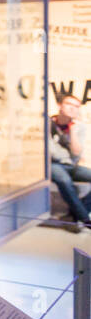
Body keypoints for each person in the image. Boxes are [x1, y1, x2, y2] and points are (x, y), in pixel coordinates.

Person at [50, 94, 91, 232]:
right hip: (52, 164)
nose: (73, 108)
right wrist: (67, 156)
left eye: (76, 106)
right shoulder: (48, 124)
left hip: (71, 165)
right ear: (60, 105)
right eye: (69, 104)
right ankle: (86, 220)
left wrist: (72, 130)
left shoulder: (79, 127)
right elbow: (51, 152)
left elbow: (76, 153)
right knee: (64, 180)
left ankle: (76, 214)